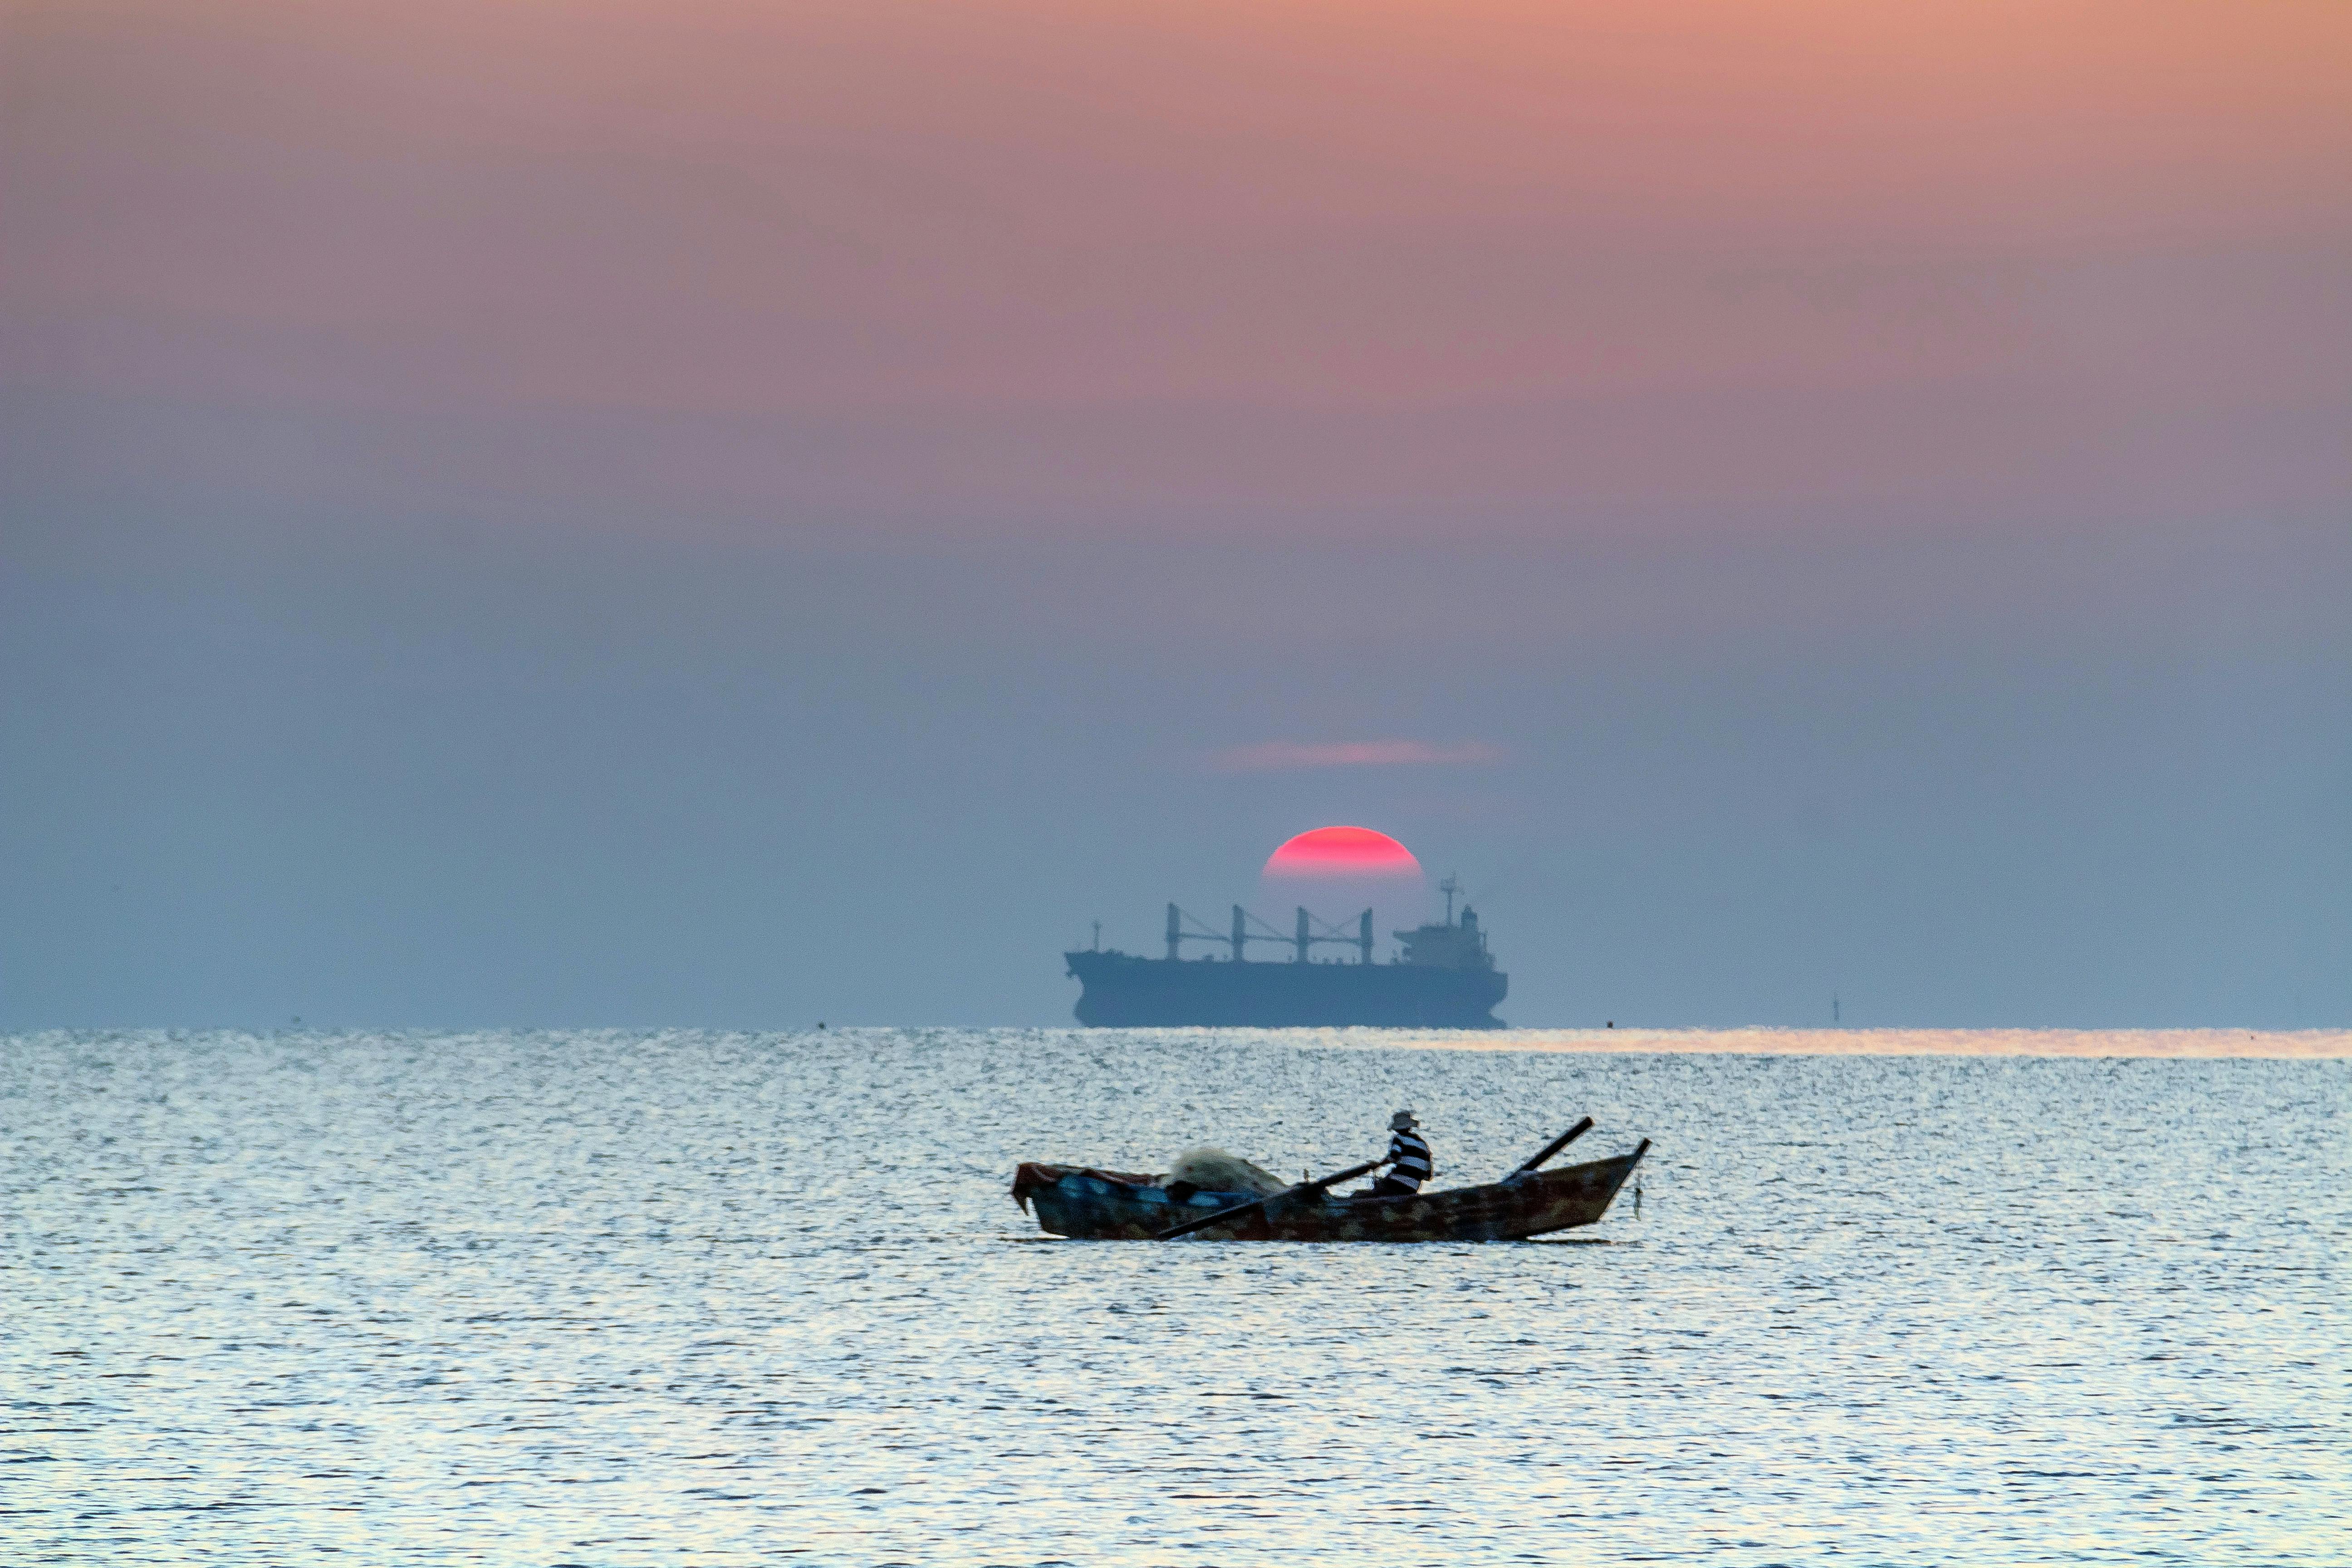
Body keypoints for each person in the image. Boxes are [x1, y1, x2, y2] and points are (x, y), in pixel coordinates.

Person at [1365, 1108, 1433, 1198]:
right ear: (1410, 1127)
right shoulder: (1423, 1144)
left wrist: (1378, 1165)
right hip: (1413, 1189)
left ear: (1397, 1129)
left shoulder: (1399, 1139)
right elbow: (1428, 1176)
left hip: (1397, 1185)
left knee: (1366, 1193)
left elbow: (1393, 1157)